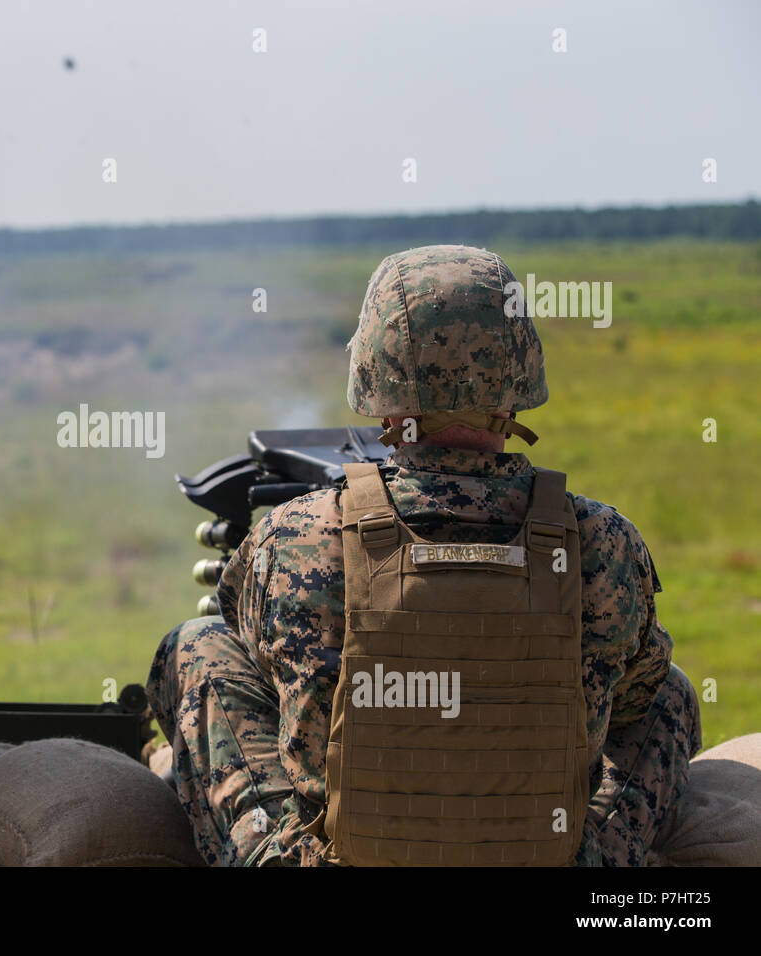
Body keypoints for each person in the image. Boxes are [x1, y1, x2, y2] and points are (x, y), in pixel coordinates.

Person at [146, 244, 702, 866]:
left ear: (374, 376)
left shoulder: (296, 534)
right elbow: (637, 693)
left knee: (195, 646)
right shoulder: (603, 543)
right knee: (673, 693)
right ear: (520, 378)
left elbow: (259, 660)